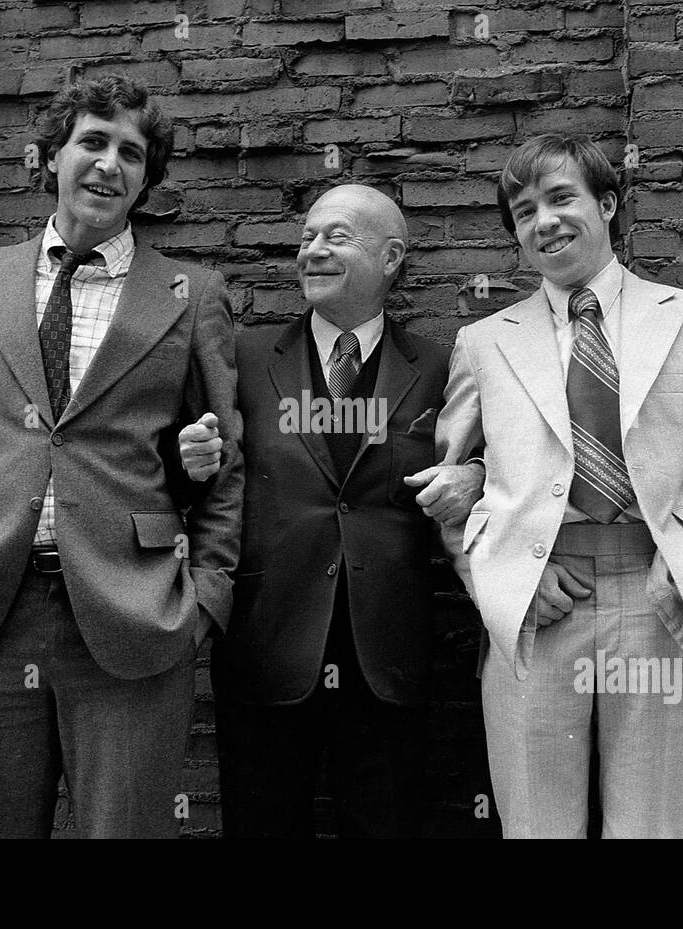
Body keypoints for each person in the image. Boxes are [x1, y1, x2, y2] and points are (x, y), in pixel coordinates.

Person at [0, 76, 243, 838]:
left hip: (133, 618)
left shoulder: (194, 294)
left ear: (147, 179)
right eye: (92, 141)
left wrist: (205, 602)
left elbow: (224, 467)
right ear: (52, 156)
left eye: (132, 152)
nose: (109, 164)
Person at [433, 133, 683, 838]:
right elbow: (453, 493)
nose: (544, 221)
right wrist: (500, 574)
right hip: (536, 607)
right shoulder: (483, 342)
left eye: (561, 198)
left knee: (649, 828)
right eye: (524, 212)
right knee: (535, 827)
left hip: (656, 598)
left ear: (608, 204)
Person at [178, 184, 481, 837]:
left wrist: (474, 474)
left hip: (388, 658)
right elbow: (193, 477)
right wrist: (189, 461)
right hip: (266, 646)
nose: (312, 250)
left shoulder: (437, 364)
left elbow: (502, 469)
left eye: (335, 237)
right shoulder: (243, 355)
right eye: (307, 237)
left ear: (391, 255)